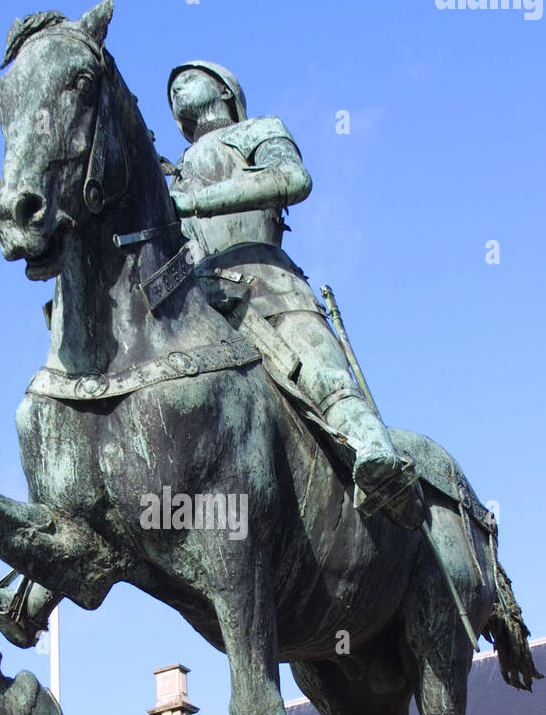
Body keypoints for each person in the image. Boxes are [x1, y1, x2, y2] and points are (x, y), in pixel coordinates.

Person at [166, 61, 423, 529]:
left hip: (266, 284)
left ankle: (374, 454)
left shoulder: (258, 130)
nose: (177, 85)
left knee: (322, 372)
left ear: (225, 91)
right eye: (172, 86)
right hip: (200, 302)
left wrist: (196, 202)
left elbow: (293, 179)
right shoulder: (174, 171)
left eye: (192, 76)